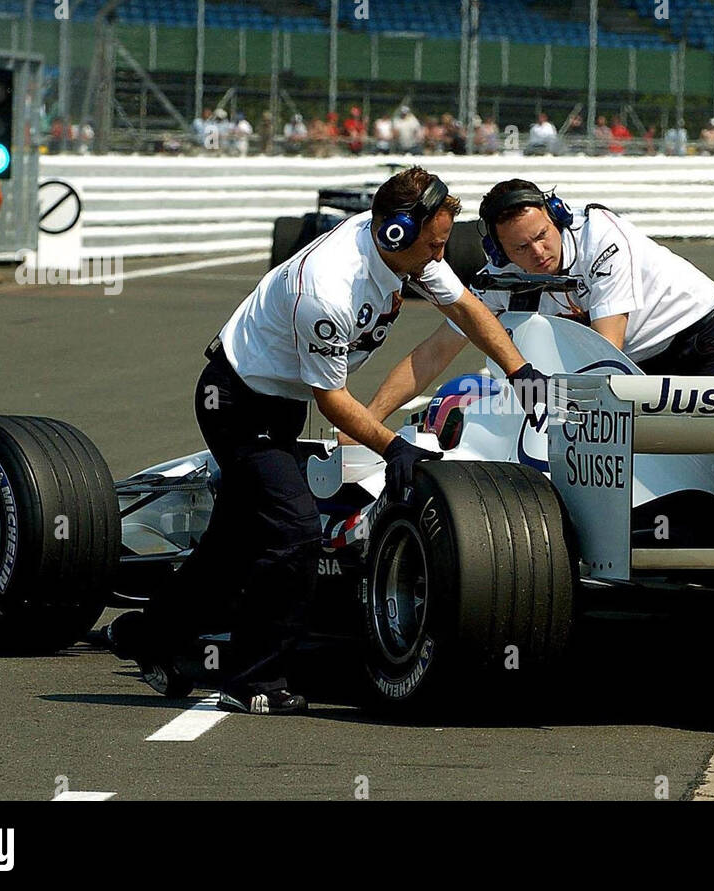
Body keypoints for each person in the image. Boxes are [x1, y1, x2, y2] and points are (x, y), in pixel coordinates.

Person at [121, 168, 547, 715]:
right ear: (396, 233)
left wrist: (520, 371)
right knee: (295, 533)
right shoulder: (329, 287)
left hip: (278, 399)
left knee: (236, 538)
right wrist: (394, 446)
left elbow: (465, 308)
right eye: (436, 243)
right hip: (236, 399)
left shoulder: (407, 251)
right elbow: (334, 401)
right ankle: (253, 679)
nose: (441, 254)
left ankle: (152, 639)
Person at [354, 179, 714, 534]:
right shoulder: (498, 275)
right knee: (638, 467)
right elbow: (434, 352)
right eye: (519, 248)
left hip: (697, 338)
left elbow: (606, 353)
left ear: (557, 219)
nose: (537, 253)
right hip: (631, 361)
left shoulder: (601, 239)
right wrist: (367, 425)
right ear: (497, 251)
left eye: (542, 236)